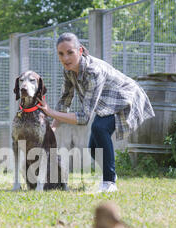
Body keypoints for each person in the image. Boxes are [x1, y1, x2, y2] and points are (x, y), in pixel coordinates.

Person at [39, 32, 155, 192]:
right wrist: (52, 128)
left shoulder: (93, 72)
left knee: (99, 128)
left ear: (80, 51)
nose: (65, 58)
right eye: (61, 54)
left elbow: (84, 118)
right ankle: (111, 176)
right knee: (93, 148)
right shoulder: (68, 71)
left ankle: (109, 182)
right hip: (106, 103)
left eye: (70, 52)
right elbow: (65, 100)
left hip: (126, 97)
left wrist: (50, 112)